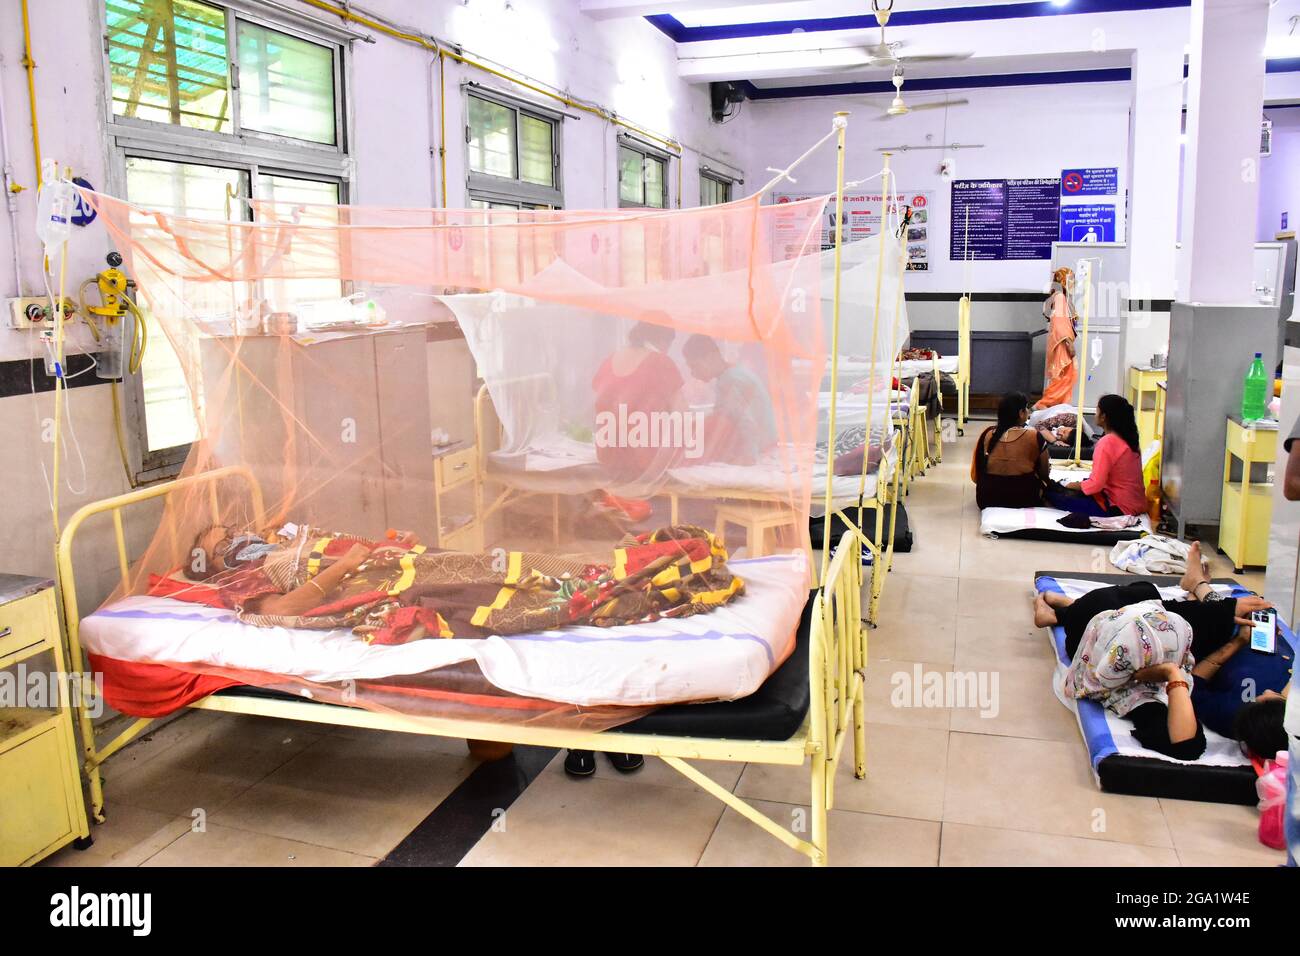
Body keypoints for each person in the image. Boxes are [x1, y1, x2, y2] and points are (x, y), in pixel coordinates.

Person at [1034, 542, 1285, 760]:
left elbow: (1187, 743)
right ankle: (1195, 586)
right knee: (1151, 595)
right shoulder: (1284, 697)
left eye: (1266, 697)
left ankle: (1064, 611)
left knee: (1128, 601)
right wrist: (1240, 641)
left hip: (1123, 633)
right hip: (1182, 633)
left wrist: (1173, 673)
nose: (1268, 691)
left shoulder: (1227, 712)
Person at [592, 318, 685, 486]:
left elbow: (599, 406)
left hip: (608, 460)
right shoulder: (661, 363)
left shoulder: (608, 362)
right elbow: (682, 414)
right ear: (663, 340)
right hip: (646, 463)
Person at [682, 334, 777, 465]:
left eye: (694, 366)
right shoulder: (735, 372)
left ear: (710, 358)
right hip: (768, 441)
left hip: (760, 445)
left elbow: (746, 422)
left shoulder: (728, 381)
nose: (693, 373)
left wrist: (749, 456)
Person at [1047, 394, 1146, 516]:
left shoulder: (1107, 442)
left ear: (1103, 416)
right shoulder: (1130, 440)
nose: (1095, 414)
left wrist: (1067, 484)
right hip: (1136, 503)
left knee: (1052, 494)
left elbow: (1095, 485)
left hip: (1119, 507)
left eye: (1097, 410)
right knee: (1075, 486)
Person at [969, 392, 1050, 509]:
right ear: (1021, 413)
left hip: (987, 498)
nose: (1028, 411)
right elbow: (1044, 474)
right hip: (1023, 498)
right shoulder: (1034, 436)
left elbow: (977, 472)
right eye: (1026, 408)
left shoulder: (987, 434)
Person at [1035, 267, 1078, 409]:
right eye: (1071, 279)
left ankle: (1060, 408)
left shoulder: (1058, 297)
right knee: (1064, 378)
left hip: (1059, 342)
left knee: (1062, 378)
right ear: (1064, 280)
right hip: (1061, 344)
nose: (1074, 282)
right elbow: (1060, 323)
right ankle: (1044, 404)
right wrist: (1069, 342)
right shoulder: (1060, 297)